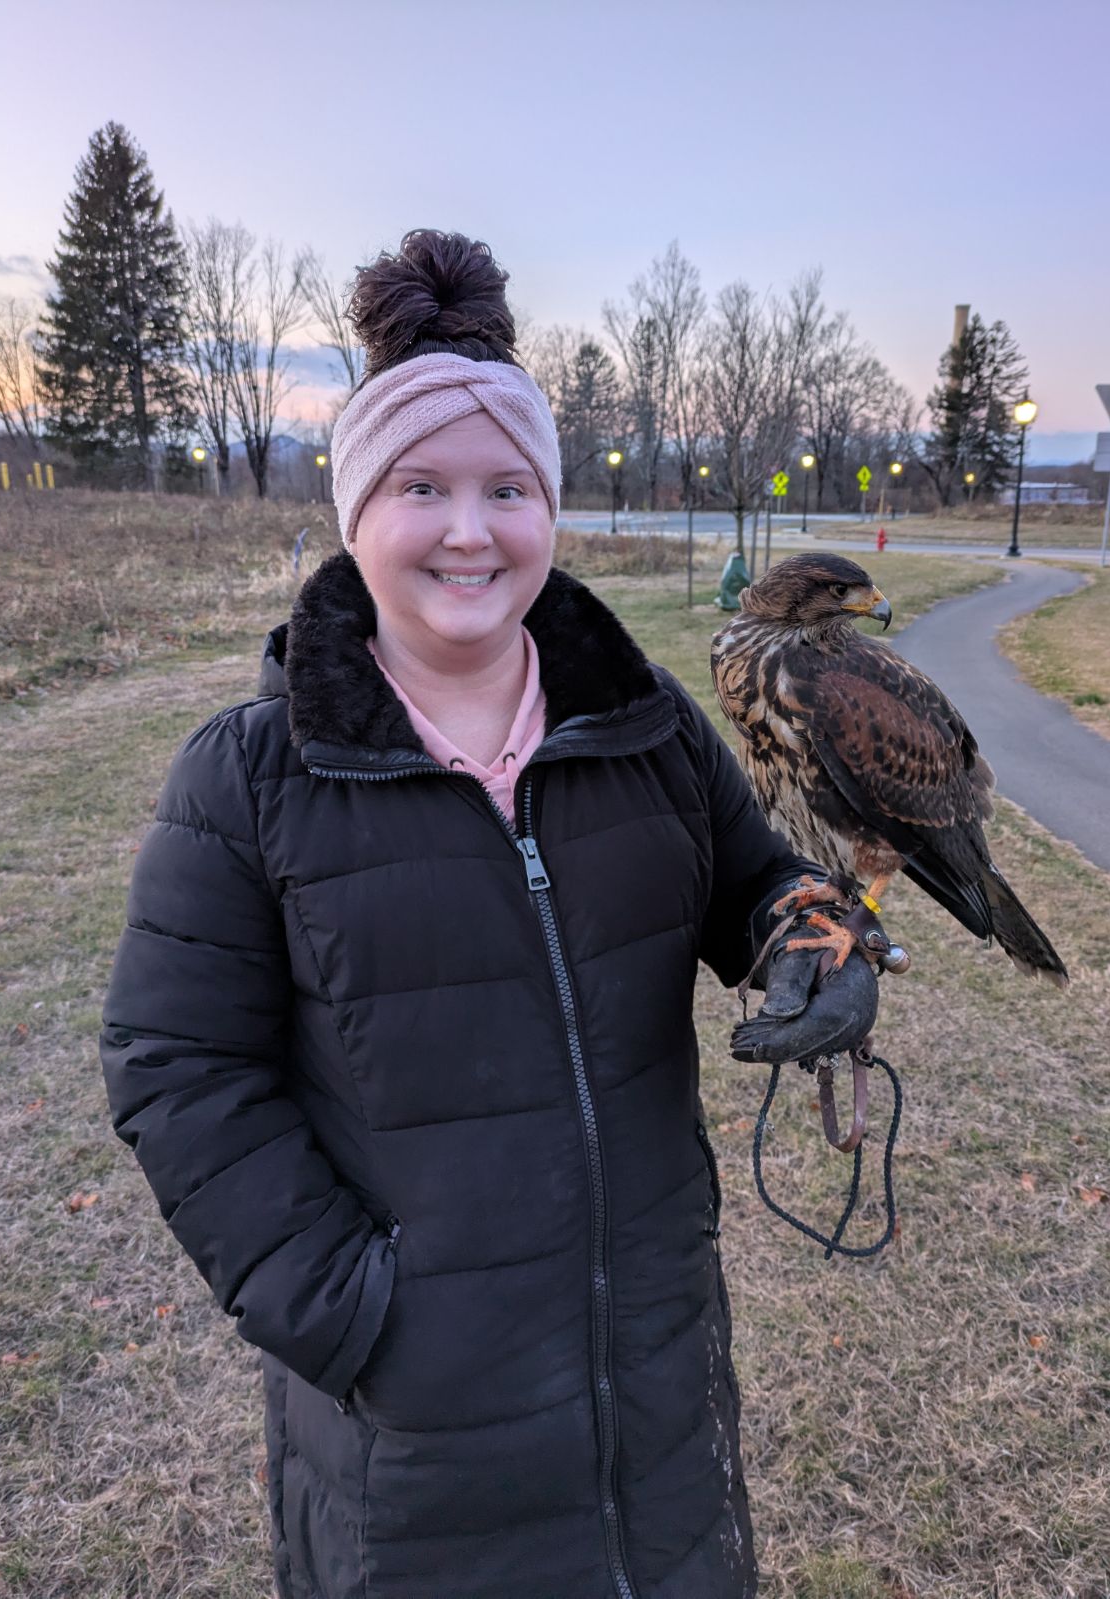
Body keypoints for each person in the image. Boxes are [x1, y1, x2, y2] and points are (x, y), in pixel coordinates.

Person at [99, 230, 878, 1599]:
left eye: (507, 487)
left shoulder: (642, 730)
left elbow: (760, 881)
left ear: (549, 507)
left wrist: (814, 939)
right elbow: (176, 1070)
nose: (470, 530)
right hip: (412, 1435)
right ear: (357, 511)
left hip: (648, 1368)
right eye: (422, 487)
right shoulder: (250, 777)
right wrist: (349, 1313)